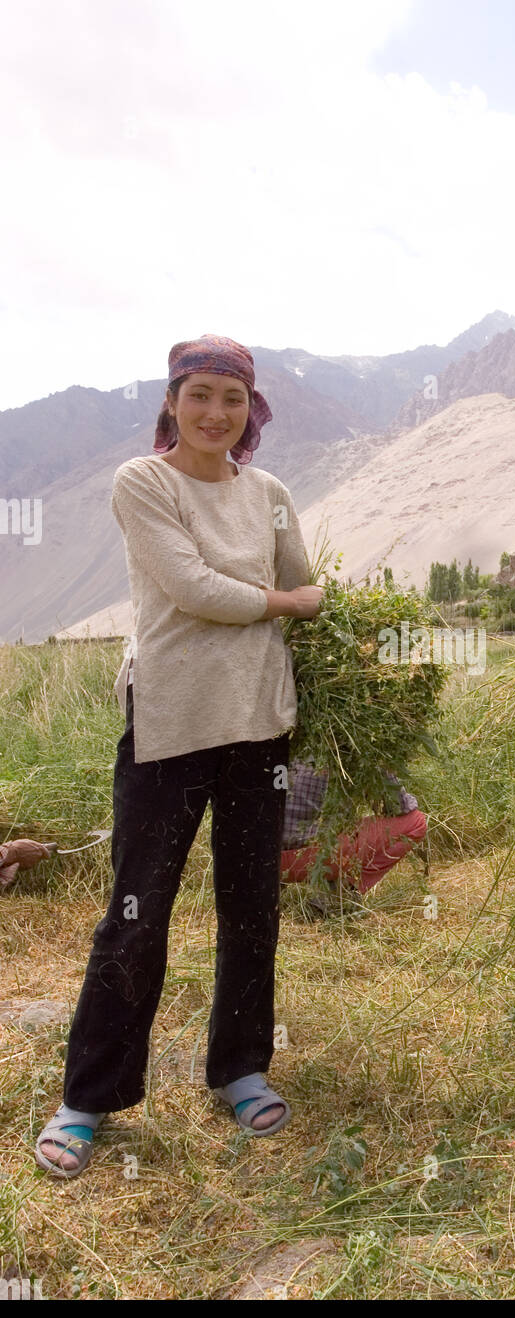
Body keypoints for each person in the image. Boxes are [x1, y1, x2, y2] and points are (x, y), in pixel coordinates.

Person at [35, 334, 322, 1178]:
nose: (215, 414)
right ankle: (88, 1096)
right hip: (168, 726)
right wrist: (280, 602)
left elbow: (307, 580)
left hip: (258, 724)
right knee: (135, 913)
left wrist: (295, 599)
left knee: (251, 905)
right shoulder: (143, 483)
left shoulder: (268, 492)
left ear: (251, 409)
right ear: (172, 402)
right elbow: (197, 588)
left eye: (232, 399)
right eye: (199, 395)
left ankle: (240, 1067)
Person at [280, 759, 427, 915]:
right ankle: (336, 897)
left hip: (261, 856)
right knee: (415, 822)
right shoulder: (358, 751)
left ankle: (265, 888)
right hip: (312, 858)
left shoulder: (275, 740)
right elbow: (397, 805)